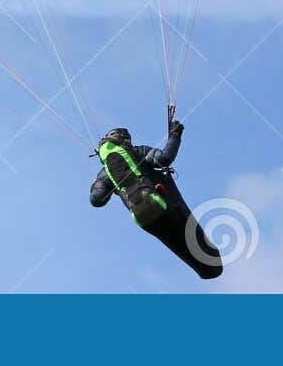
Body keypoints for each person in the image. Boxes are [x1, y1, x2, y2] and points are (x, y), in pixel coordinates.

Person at [89, 118, 223, 279]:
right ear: (125, 140)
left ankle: (208, 269)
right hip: (161, 204)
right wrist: (175, 136)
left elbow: (96, 200)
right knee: (199, 248)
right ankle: (210, 268)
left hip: (142, 219)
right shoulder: (138, 152)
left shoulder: (104, 173)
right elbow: (165, 157)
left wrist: (95, 185)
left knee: (177, 244)